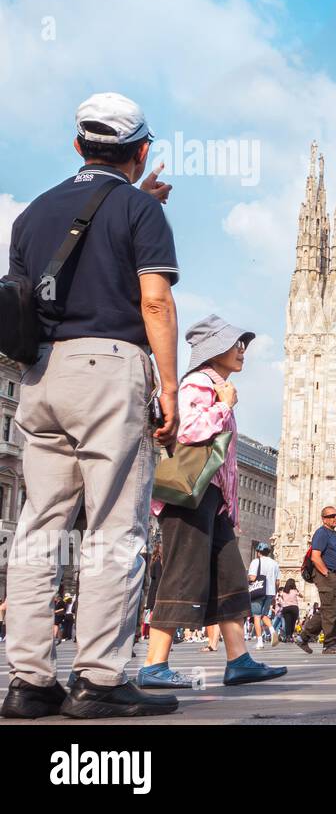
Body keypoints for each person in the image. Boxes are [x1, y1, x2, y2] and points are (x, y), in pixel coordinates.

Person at [3, 93, 181, 719]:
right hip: (109, 370)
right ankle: (99, 682)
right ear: (141, 152)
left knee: (39, 529)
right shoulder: (139, 211)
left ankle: (28, 683)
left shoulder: (30, 216)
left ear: (78, 146)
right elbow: (154, 302)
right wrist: (169, 386)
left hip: (41, 373)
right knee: (113, 527)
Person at [139, 317, 287, 689]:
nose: (242, 351)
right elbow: (188, 430)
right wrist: (224, 406)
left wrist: (230, 508)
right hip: (189, 497)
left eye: (243, 344)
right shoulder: (197, 384)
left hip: (211, 498)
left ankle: (239, 660)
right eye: (235, 343)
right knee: (182, 573)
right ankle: (154, 665)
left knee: (229, 577)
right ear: (212, 350)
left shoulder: (218, 386)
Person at [296, 506, 336, 654]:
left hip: (334, 575)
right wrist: (326, 573)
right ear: (324, 519)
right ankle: (328, 645)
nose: (335, 518)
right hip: (326, 575)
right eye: (331, 516)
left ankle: (303, 638)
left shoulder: (334, 534)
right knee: (330, 611)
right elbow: (315, 556)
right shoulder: (321, 533)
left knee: (326, 609)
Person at [248, 543, 281, 650]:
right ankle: (272, 630)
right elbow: (277, 582)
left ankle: (260, 642)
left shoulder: (256, 562)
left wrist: (248, 578)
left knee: (256, 616)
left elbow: (252, 578)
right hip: (270, 592)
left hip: (258, 591)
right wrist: (275, 595)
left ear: (258, 552)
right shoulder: (275, 563)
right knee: (264, 615)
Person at [278, 580, 302, 644]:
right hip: (294, 608)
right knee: (292, 623)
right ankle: (290, 636)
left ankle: (288, 636)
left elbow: (279, 598)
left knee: (287, 623)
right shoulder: (295, 591)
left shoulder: (283, 592)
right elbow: (301, 596)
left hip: (286, 608)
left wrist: (283, 602)